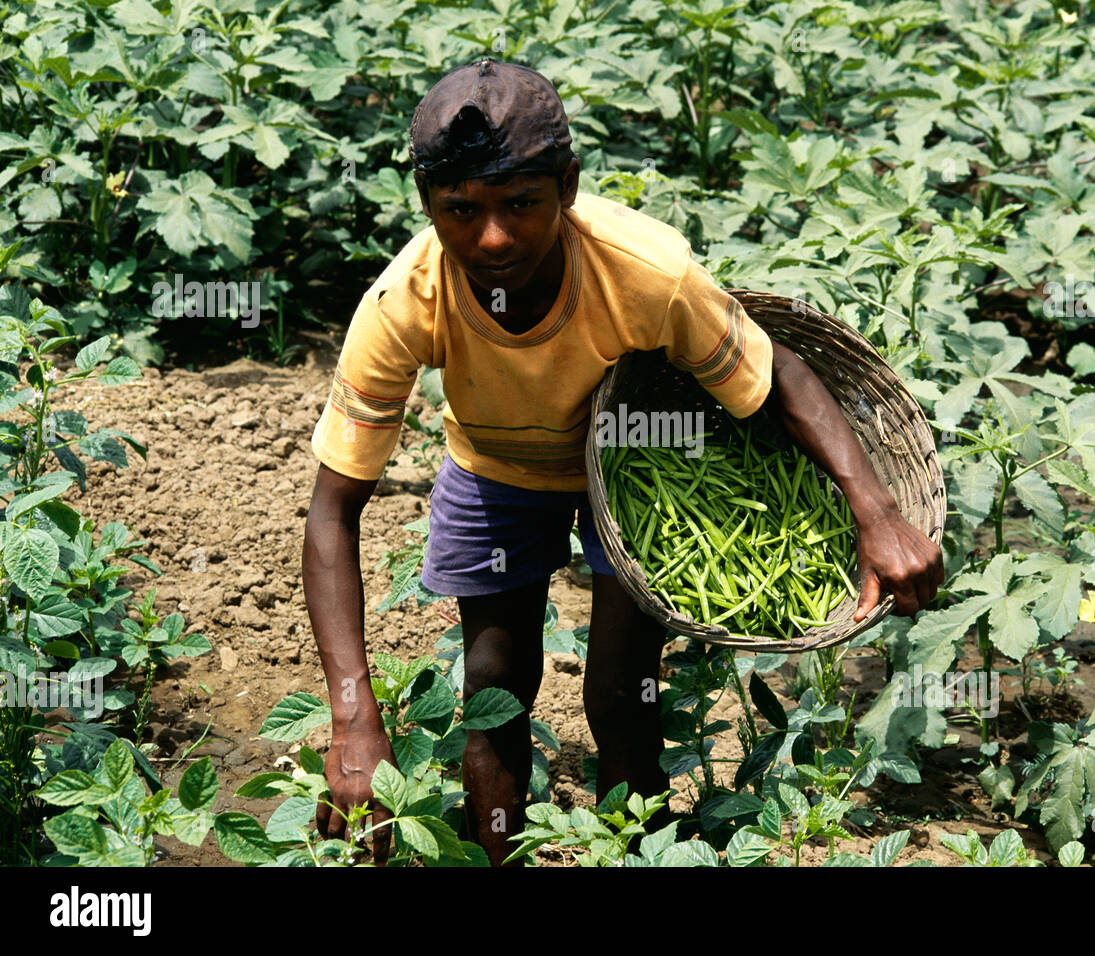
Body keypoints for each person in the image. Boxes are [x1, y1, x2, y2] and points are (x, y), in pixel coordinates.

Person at [302, 57, 943, 867]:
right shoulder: (404, 302)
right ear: (426, 204)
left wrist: (878, 513)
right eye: (460, 210)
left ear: (567, 187)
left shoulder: (645, 272)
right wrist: (355, 718)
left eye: (521, 205)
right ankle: (496, 853)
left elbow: (778, 369)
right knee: (493, 687)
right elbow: (332, 508)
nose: (492, 237)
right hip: (497, 467)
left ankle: (630, 851)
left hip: (634, 467)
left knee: (620, 689)